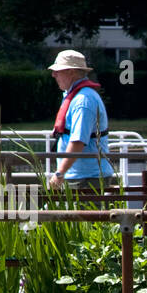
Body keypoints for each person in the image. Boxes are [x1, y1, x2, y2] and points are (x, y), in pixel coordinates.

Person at [45, 50, 113, 192]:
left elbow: (78, 142)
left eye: (58, 71)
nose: (53, 75)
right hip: (80, 176)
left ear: (71, 72)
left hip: (86, 179)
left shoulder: (83, 100)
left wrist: (59, 173)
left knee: (84, 208)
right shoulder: (78, 96)